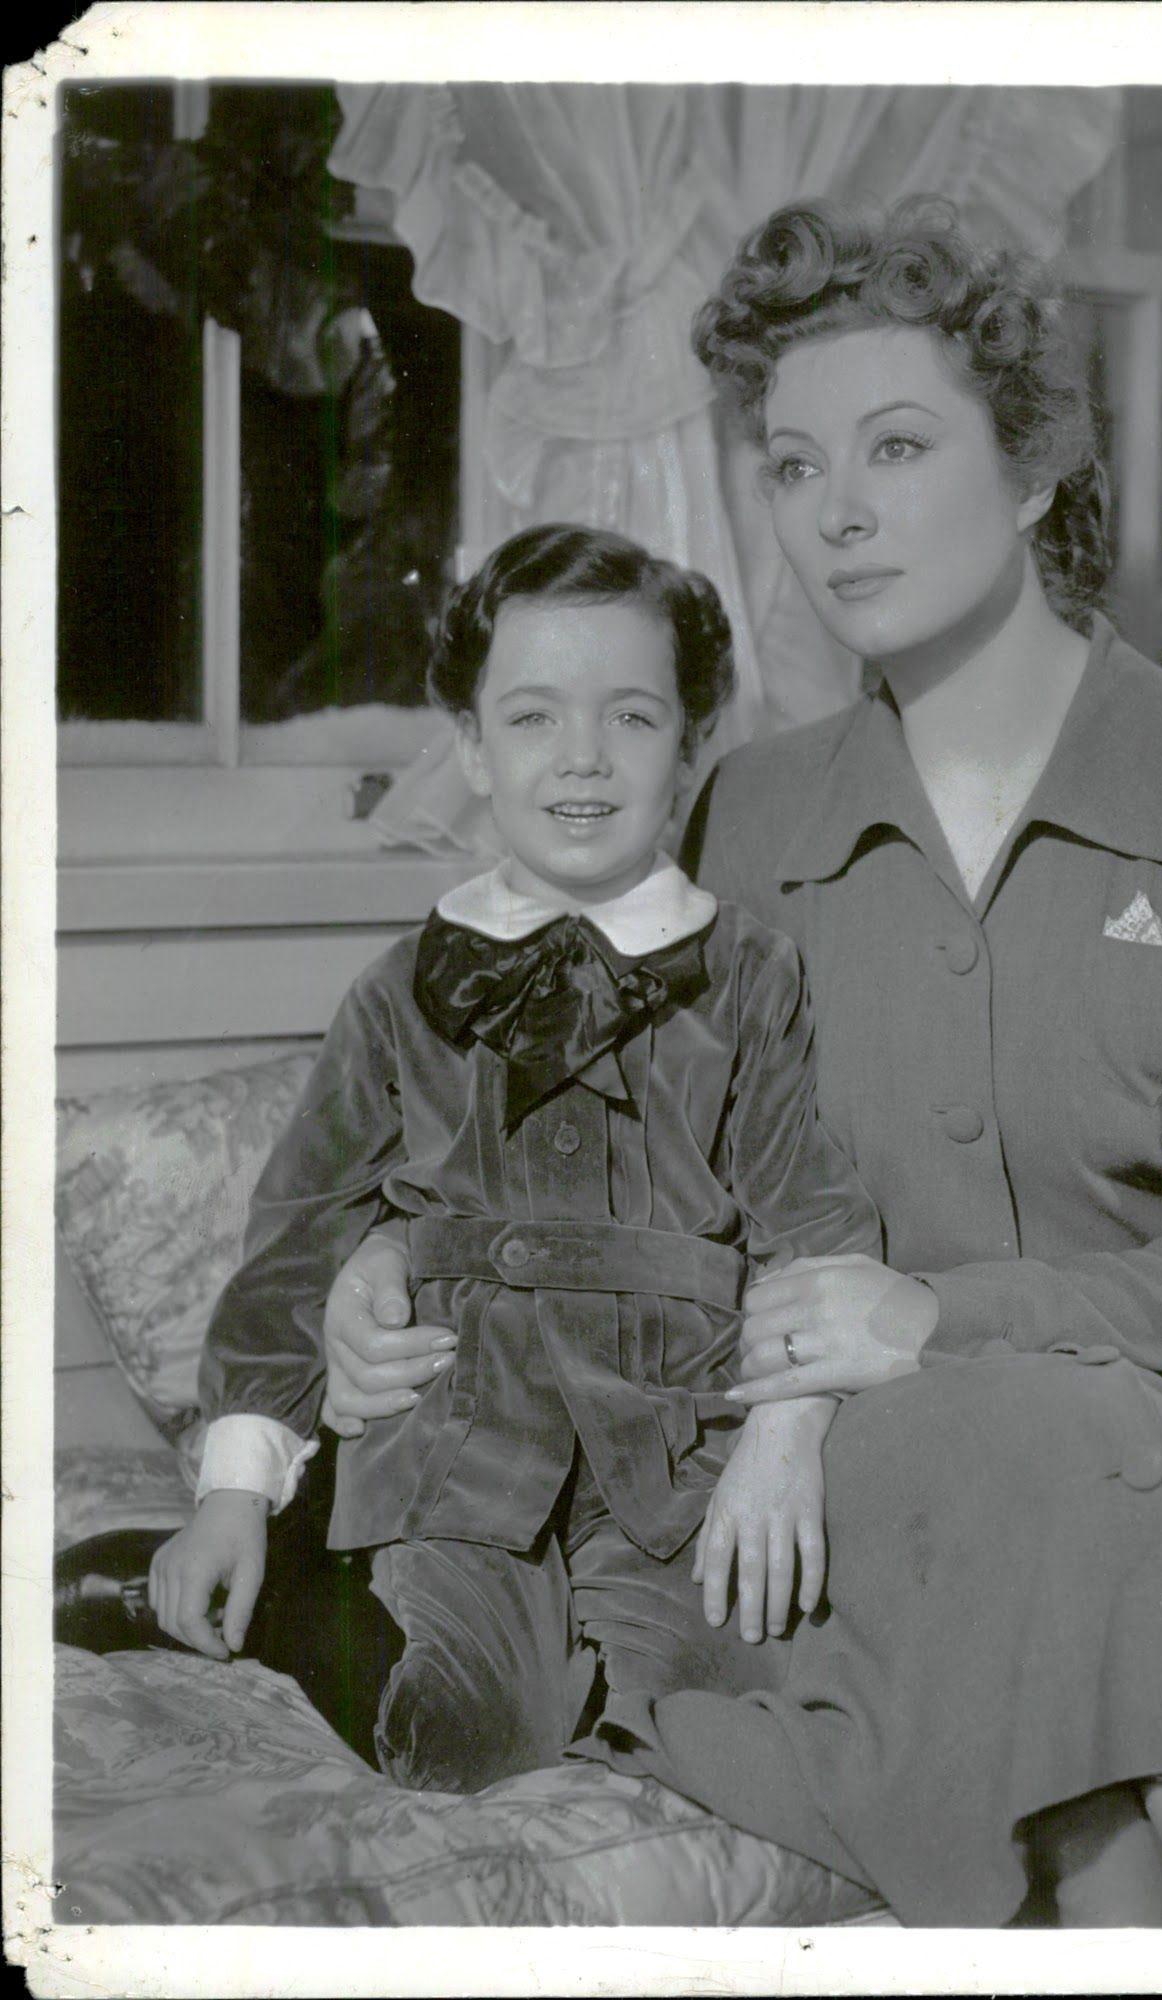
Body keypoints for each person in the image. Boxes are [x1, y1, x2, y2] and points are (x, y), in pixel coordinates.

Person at [276, 197, 1162, 1925]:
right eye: (792, 463)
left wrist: (936, 1320)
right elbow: (590, 1154)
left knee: (1074, 1451)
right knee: (1055, 1563)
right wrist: (383, 1258)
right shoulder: (744, 812)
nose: (833, 512)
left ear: (1031, 470)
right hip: (836, 1466)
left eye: (894, 447)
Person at [82, 523, 883, 1795]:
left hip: (668, 1453)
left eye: (631, 716)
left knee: (725, 1705)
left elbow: (814, 1226)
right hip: (455, 1444)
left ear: (690, 745)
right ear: (469, 746)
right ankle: (262, 1576)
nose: (582, 755)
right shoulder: (403, 987)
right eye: (531, 716)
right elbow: (298, 1242)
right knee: (472, 1727)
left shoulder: (752, 977)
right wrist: (232, 1491)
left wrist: (787, 1430)